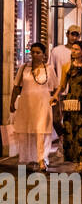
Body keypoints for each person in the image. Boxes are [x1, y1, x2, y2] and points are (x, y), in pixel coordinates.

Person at [52, 41, 82, 173]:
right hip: (71, 102)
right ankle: (75, 159)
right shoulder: (67, 66)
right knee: (71, 132)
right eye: (72, 49)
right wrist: (55, 96)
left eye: (76, 49)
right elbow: (62, 86)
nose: (73, 51)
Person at [9, 42, 55, 171]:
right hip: (26, 103)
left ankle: (42, 159)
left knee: (42, 131)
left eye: (38, 52)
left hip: (43, 103)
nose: (35, 55)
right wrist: (12, 102)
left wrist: (56, 102)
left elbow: (56, 88)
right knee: (26, 131)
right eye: (33, 52)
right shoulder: (24, 68)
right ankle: (27, 158)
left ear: (44, 55)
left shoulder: (49, 69)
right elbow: (16, 86)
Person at [48, 26, 81, 164]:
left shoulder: (81, 52)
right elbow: (51, 69)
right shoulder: (57, 51)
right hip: (59, 91)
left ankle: (65, 147)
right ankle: (63, 139)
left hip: (74, 92)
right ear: (67, 34)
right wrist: (52, 90)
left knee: (70, 121)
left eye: (77, 35)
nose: (74, 37)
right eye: (72, 34)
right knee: (56, 119)